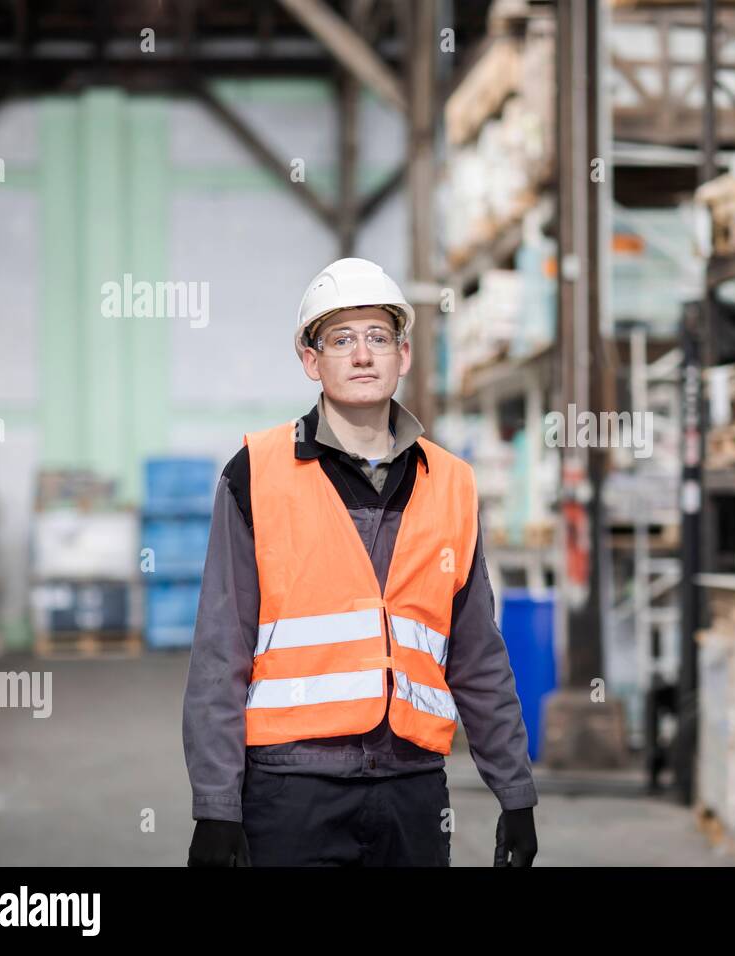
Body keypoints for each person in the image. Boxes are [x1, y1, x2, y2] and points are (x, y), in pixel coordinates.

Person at [182, 257, 538, 867]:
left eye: (378, 337)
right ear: (310, 360)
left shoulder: (451, 483)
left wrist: (516, 792)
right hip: (291, 789)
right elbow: (221, 651)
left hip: (413, 789)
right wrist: (216, 806)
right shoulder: (255, 475)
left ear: (404, 354)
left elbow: (478, 654)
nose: (362, 355)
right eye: (340, 339)